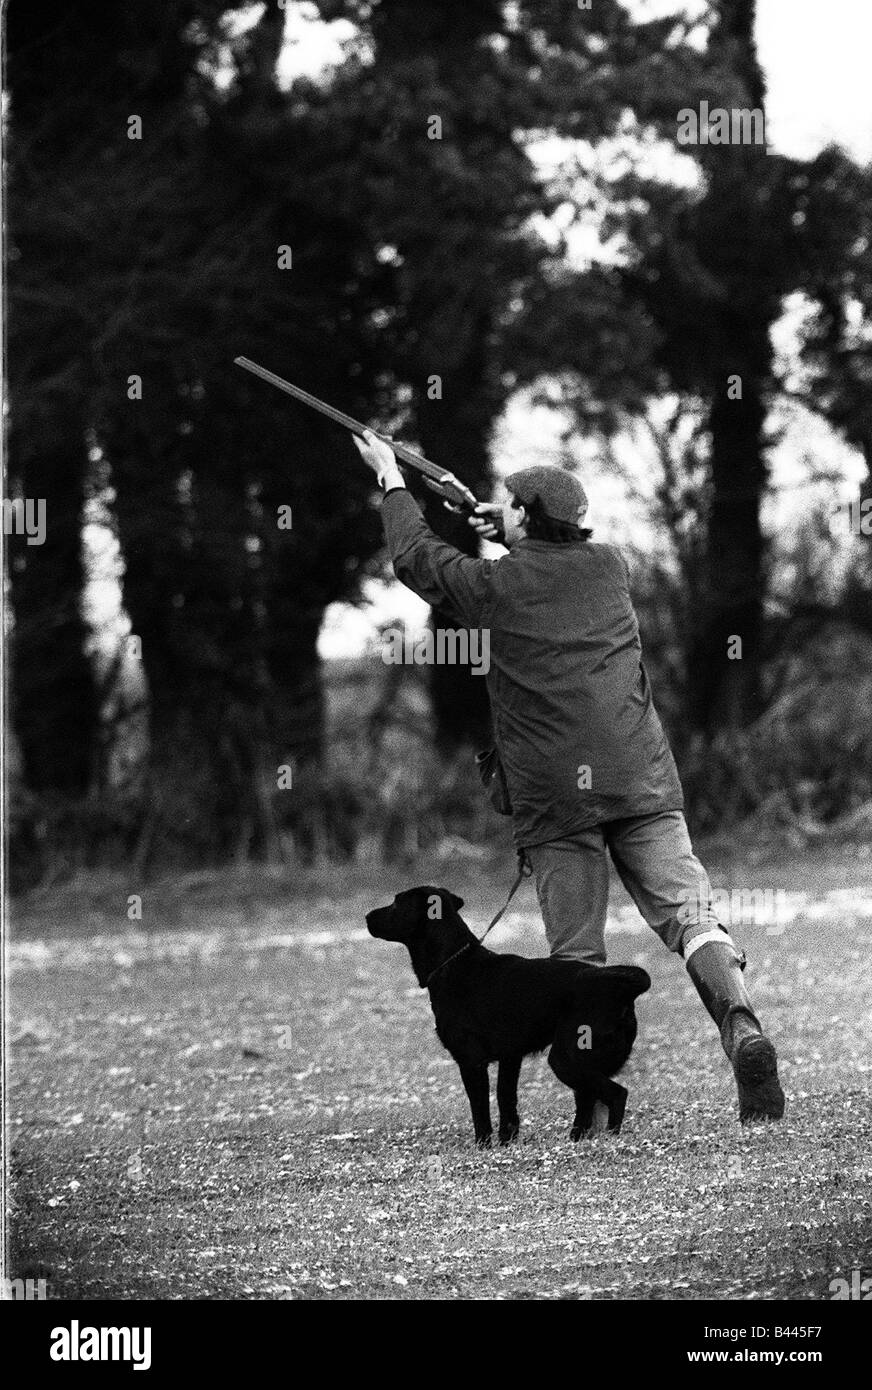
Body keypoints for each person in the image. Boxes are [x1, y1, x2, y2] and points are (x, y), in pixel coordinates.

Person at [353, 431, 785, 1123]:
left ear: (524, 516)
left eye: (512, 508)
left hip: (558, 796)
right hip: (640, 778)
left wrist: (391, 481)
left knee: (576, 957)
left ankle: (592, 1107)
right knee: (695, 919)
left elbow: (417, 558)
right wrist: (514, 531)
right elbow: (548, 569)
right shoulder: (609, 569)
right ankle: (741, 1026)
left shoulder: (497, 589)